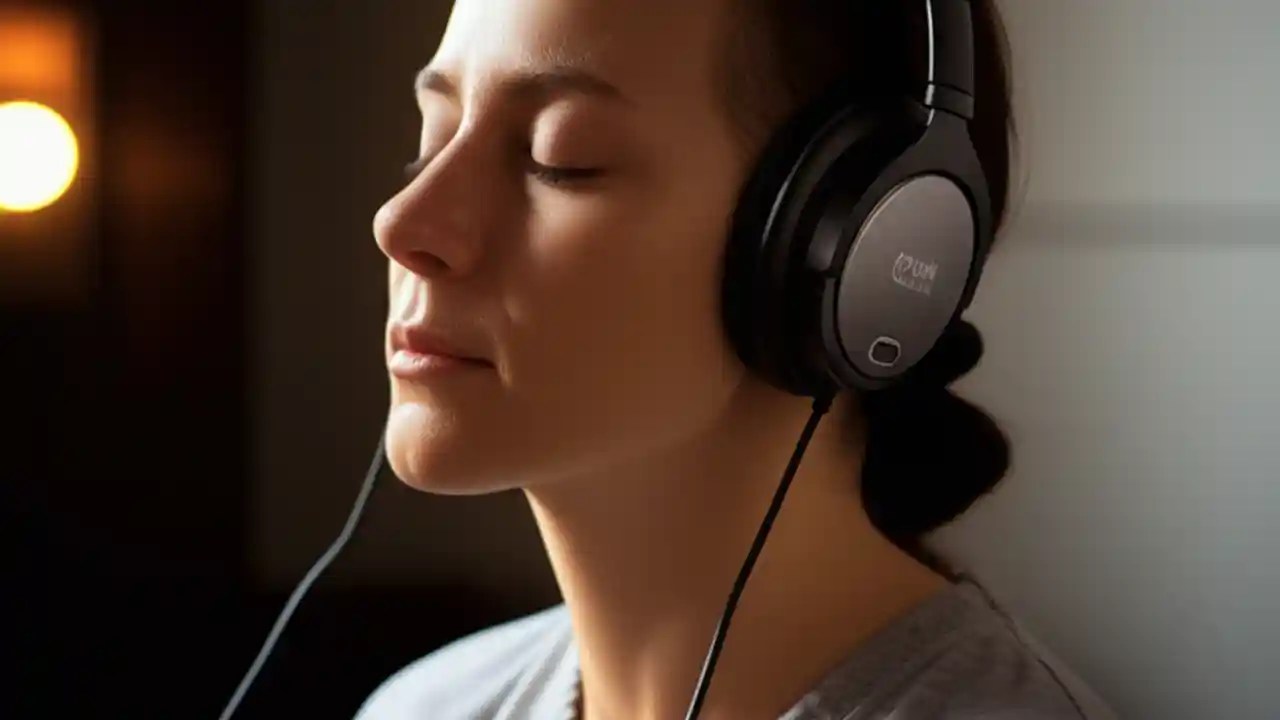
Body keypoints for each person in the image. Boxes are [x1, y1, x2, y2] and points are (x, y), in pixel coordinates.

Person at [358, 0, 1114, 718]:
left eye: (561, 158)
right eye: (432, 139)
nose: (401, 222)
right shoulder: (422, 707)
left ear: (858, 245)